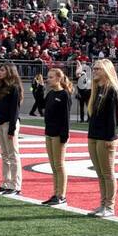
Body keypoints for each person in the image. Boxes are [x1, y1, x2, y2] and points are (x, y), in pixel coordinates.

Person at [86, 59, 118, 217]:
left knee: (107, 173)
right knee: (100, 173)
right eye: (94, 68)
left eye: (98, 69)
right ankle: (103, 204)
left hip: (105, 137)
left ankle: (110, 206)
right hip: (94, 135)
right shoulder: (97, 89)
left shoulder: (111, 90)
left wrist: (110, 138)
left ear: (106, 71)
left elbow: (113, 118)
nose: (95, 71)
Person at [0, 64, 24, 196]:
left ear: (9, 72)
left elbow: (15, 110)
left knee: (13, 155)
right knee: (4, 155)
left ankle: (16, 185)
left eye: (2, 70)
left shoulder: (14, 87)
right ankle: (6, 183)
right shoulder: (1, 86)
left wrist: (12, 129)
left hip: (10, 123)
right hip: (0, 123)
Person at [42, 68, 73, 207]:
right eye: (48, 77)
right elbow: (42, 108)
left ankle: (61, 195)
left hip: (58, 134)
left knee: (59, 165)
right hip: (49, 132)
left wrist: (64, 135)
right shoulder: (50, 94)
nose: (48, 79)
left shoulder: (64, 94)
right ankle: (55, 193)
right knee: (53, 165)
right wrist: (37, 89)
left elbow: (65, 118)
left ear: (59, 78)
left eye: (51, 77)